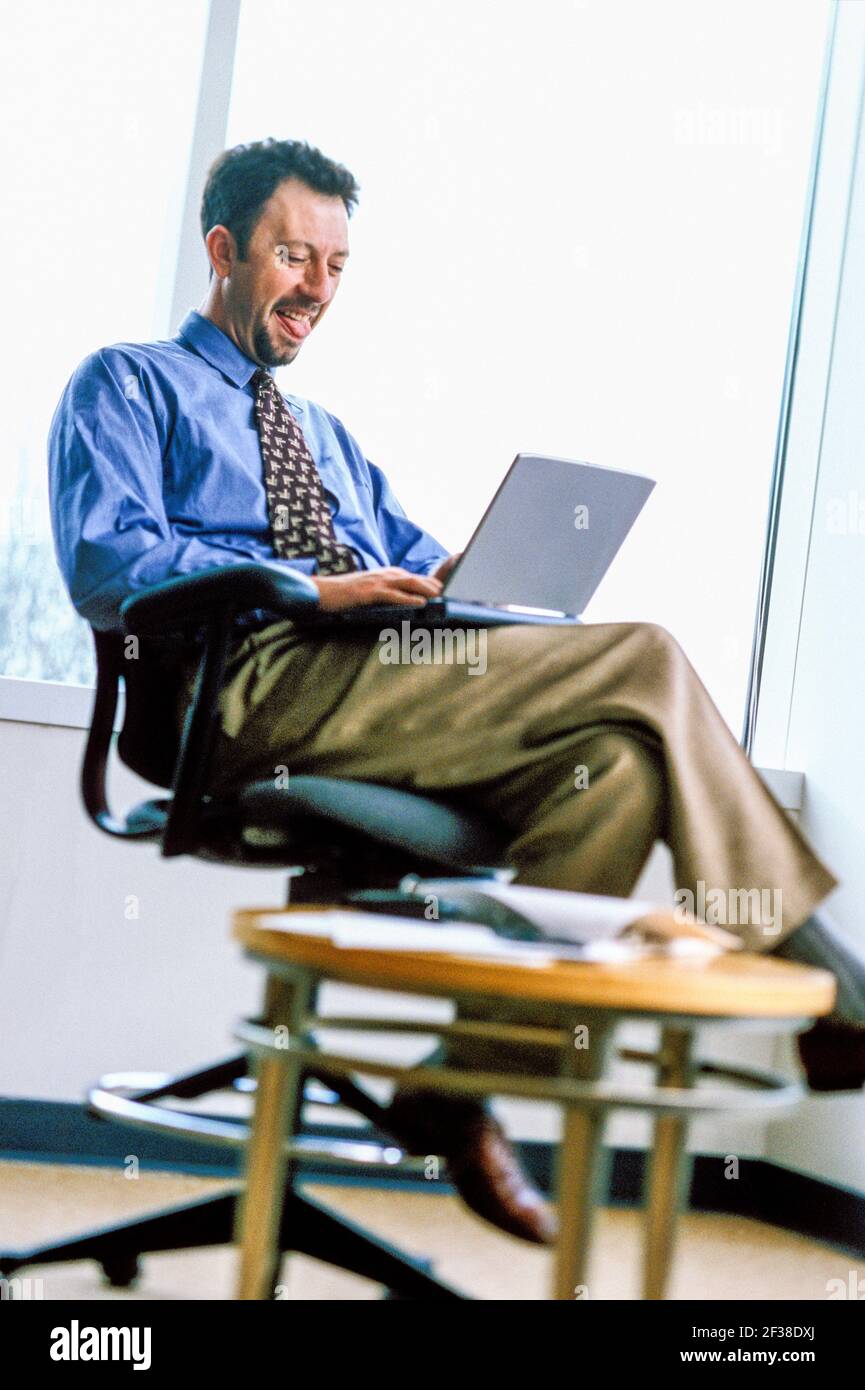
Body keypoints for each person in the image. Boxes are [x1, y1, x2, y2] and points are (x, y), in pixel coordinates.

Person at [48, 138, 865, 1246]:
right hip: (241, 693)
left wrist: (458, 582)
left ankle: (460, 1080)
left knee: (616, 771)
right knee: (647, 657)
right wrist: (315, 588)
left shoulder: (328, 437)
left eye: (337, 267)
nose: (316, 290)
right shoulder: (127, 382)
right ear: (225, 250)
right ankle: (811, 963)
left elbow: (425, 558)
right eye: (294, 256)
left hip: (370, 685)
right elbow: (108, 566)